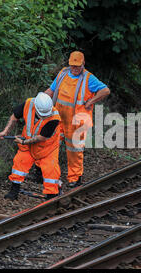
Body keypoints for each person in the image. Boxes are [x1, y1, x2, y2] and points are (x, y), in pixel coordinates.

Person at [44, 51, 110, 188]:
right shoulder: (63, 73)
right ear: (69, 63)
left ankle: (75, 178)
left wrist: (90, 102)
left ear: (83, 64)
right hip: (59, 118)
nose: (75, 69)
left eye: (77, 66)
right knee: (49, 144)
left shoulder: (88, 78)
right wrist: (39, 101)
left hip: (77, 122)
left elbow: (105, 90)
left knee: (74, 151)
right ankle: (45, 173)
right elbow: (51, 90)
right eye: (72, 66)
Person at [0, 92, 62, 201]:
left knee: (51, 170)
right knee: (19, 164)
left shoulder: (55, 117)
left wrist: (23, 142)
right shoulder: (28, 104)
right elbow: (15, 116)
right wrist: (6, 131)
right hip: (28, 146)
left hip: (48, 149)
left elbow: (42, 138)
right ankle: (14, 191)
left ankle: (51, 196)